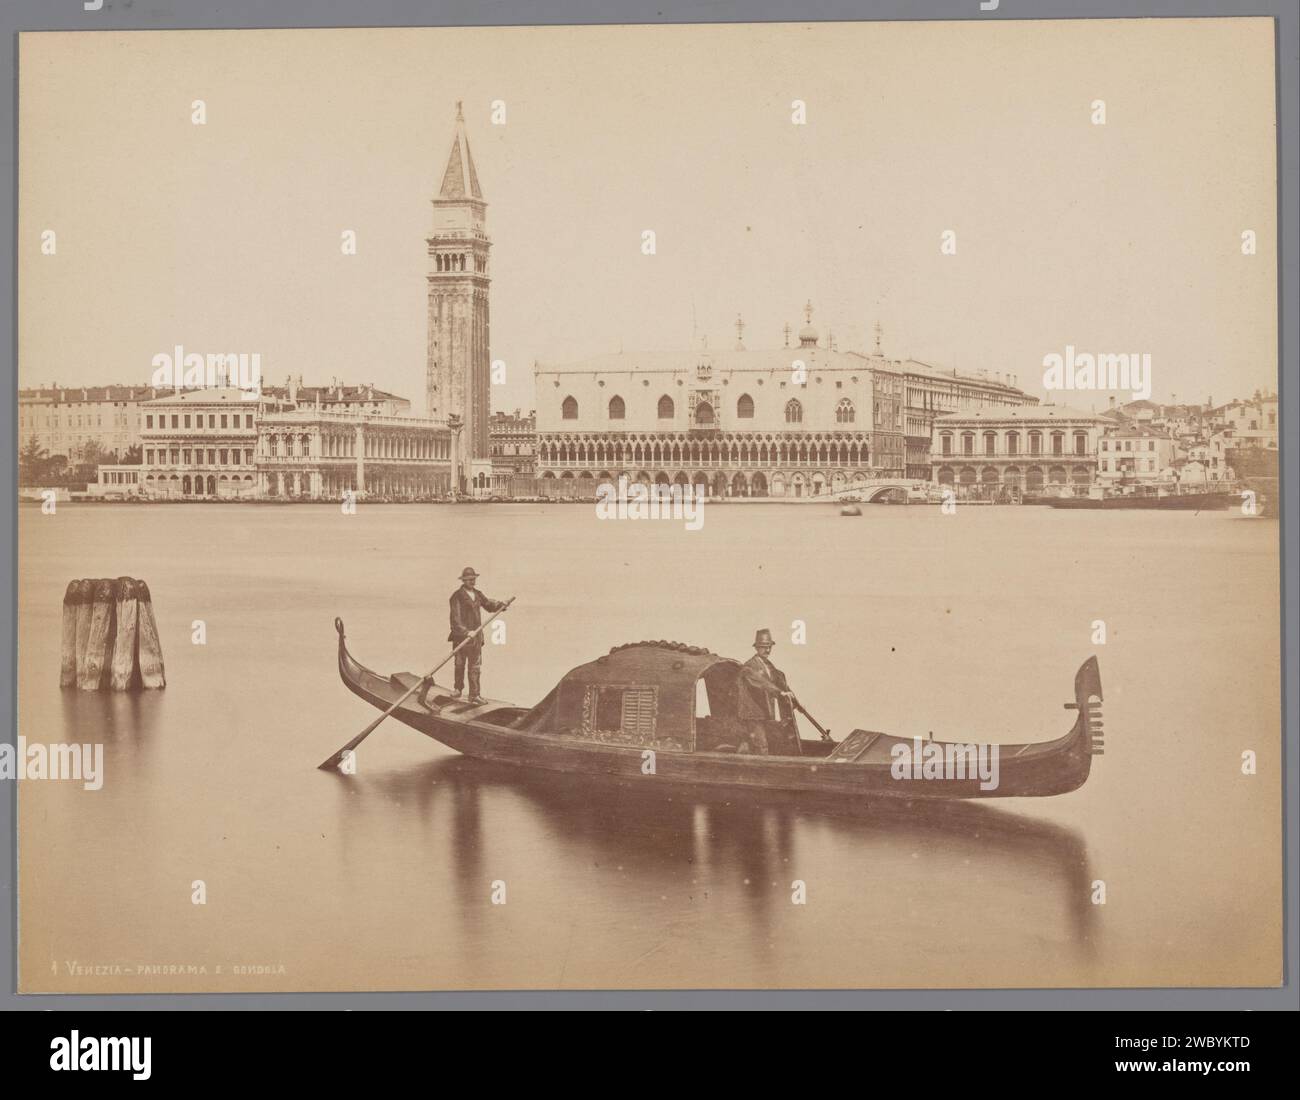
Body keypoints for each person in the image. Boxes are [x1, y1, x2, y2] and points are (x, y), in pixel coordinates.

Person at [422, 567, 506, 707]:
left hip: (476, 639)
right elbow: (455, 619)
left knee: (475, 667)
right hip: (461, 638)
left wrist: (500, 605)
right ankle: (457, 690)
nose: (472, 581)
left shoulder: (478, 594)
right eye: (469, 579)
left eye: (473, 579)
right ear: (464, 581)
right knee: (459, 665)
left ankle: (475, 695)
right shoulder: (456, 596)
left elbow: (488, 605)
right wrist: (466, 632)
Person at [736, 628, 801, 755]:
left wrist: (796, 703)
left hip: (765, 714)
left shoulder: (769, 665)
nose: (767, 650)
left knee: (775, 744)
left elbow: (780, 681)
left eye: (769, 646)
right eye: (763, 647)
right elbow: (761, 682)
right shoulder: (749, 666)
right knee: (762, 747)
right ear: (756, 648)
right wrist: (780, 693)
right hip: (752, 715)